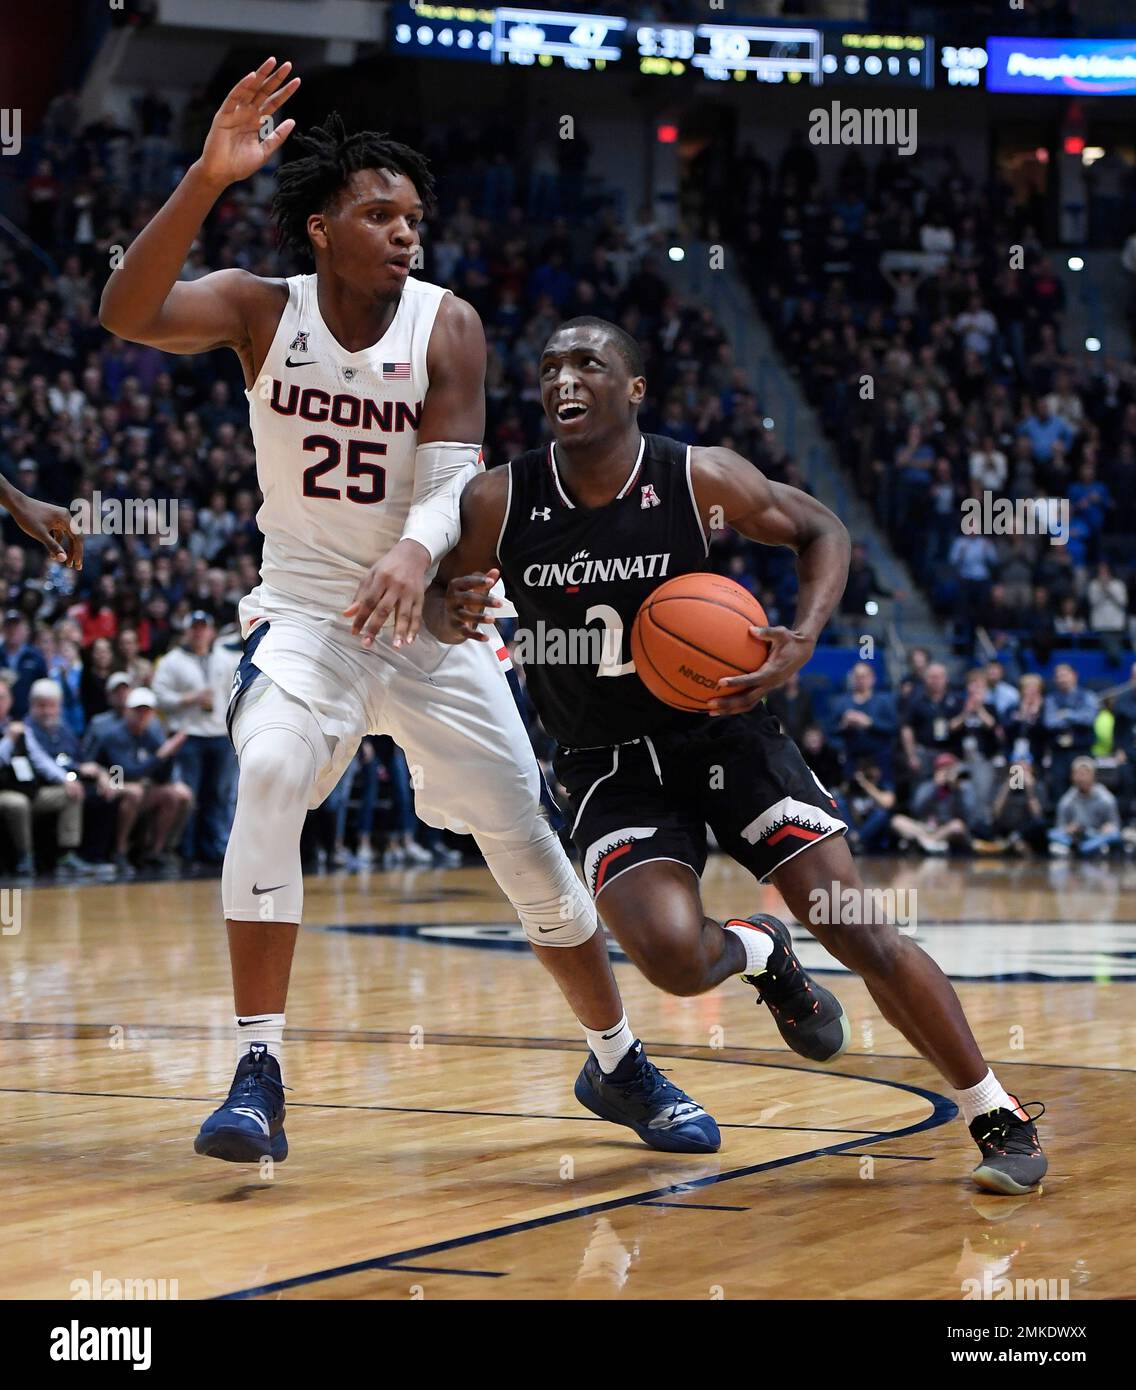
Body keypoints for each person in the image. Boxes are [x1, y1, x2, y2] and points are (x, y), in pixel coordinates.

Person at [99, 66, 714, 1163]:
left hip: (428, 624)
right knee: (274, 777)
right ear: (319, 227)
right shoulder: (257, 307)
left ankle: (616, 1061)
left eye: (413, 218)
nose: (404, 234)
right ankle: (257, 1069)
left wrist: (415, 555)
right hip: (305, 617)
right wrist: (203, 176)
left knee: (529, 848)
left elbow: (454, 477)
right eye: (379, 215)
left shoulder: (449, 324)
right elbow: (127, 311)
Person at [432, 316, 1046, 1195]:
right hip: (607, 761)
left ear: (634, 389)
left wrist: (802, 640)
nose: (564, 379)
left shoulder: (698, 477)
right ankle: (761, 952)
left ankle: (996, 1111)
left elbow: (823, 528)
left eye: (589, 364)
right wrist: (447, 608)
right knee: (674, 961)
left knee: (856, 924)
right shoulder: (501, 500)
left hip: (725, 732)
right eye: (551, 366)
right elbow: (438, 595)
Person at [151, 611, 238, 864]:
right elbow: (160, 698)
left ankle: (217, 848)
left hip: (220, 735)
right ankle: (187, 850)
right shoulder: (171, 661)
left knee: (219, 796)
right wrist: (189, 699)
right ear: (186, 631)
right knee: (190, 797)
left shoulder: (226, 658)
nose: (199, 632)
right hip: (188, 735)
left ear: (211, 631)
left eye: (203, 628)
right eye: (194, 628)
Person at [85, 688, 193, 875]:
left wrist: (171, 755)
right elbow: (126, 771)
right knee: (134, 793)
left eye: (147, 711)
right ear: (127, 711)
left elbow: (161, 777)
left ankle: (156, 851)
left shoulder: (150, 735)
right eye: (137, 711)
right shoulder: (113, 736)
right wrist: (162, 755)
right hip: (109, 788)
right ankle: (120, 851)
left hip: (137, 788)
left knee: (171, 795)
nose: (142, 716)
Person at [1048, 756, 1121, 859]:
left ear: (1093, 776)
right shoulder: (1066, 800)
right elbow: (1059, 827)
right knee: (1053, 836)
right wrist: (1068, 829)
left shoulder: (1106, 799)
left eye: (1085, 774)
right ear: (1072, 776)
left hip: (1096, 836)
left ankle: (1084, 849)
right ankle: (1078, 850)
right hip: (1074, 838)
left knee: (1113, 838)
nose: (1081, 778)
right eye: (1078, 774)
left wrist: (1108, 827)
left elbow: (1115, 826)